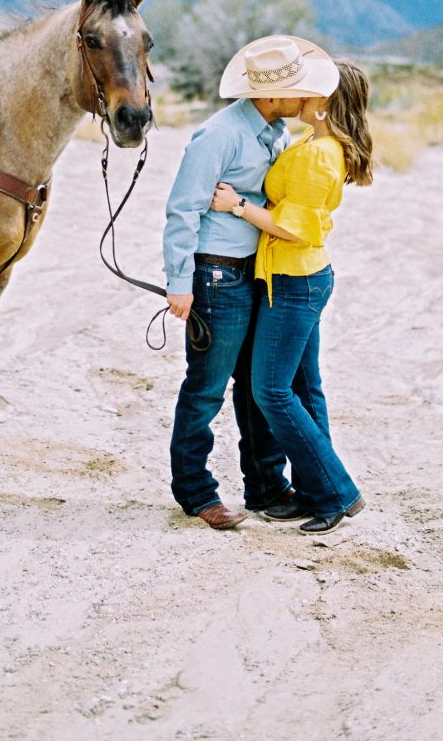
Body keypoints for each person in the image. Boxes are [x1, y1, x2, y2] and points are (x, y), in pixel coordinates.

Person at [164, 34, 339, 530]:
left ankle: (265, 488)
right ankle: (197, 494)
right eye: (297, 89)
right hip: (218, 273)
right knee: (207, 388)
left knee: (257, 388)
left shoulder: (277, 131)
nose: (306, 97)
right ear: (269, 93)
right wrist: (180, 281)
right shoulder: (219, 135)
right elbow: (183, 209)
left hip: (261, 272)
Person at [211, 56, 372, 534]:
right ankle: (313, 491)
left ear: (324, 100)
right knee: (304, 390)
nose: (297, 91)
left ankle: (338, 492)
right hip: (299, 277)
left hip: (295, 282)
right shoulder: (314, 144)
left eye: (307, 86)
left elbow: (292, 228)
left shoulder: (319, 154)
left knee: (271, 390)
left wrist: (236, 205)